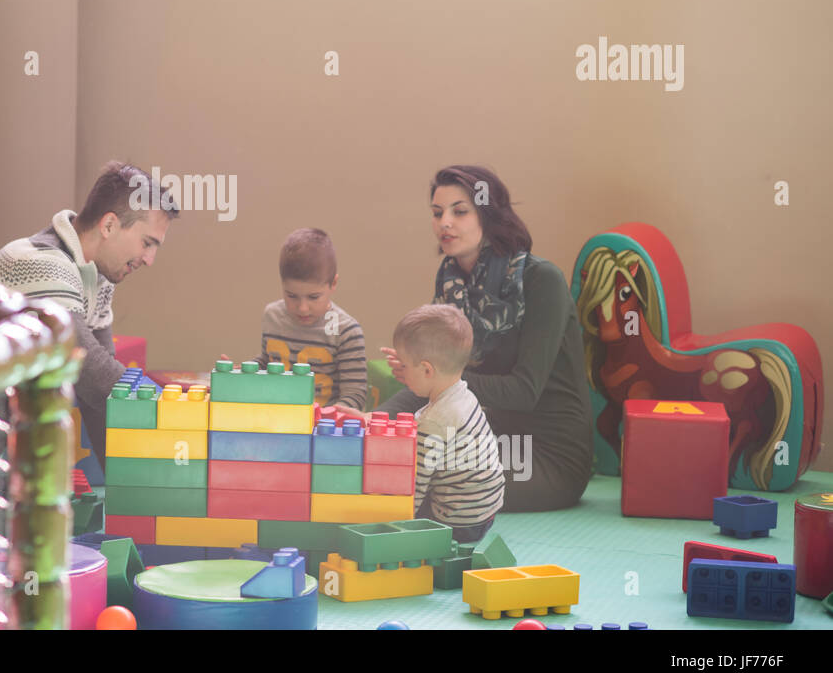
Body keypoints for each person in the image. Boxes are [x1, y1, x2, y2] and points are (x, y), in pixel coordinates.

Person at [377, 165, 592, 512]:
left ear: (489, 217)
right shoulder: (451, 285)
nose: (445, 222)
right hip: (486, 437)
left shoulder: (542, 281)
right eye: (437, 213)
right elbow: (440, 379)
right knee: (383, 465)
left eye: (460, 211)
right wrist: (371, 425)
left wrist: (438, 378)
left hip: (546, 456)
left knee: (416, 481)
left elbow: (523, 392)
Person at [0, 161, 179, 468]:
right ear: (109, 225)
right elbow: (90, 371)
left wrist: (124, 487)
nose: (150, 260)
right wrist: (173, 409)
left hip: (3, 432)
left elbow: (99, 400)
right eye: (147, 243)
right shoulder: (39, 262)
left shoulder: (95, 276)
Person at [391, 304, 503, 542]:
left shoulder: (435, 422)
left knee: (391, 499)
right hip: (487, 511)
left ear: (426, 370)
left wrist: (392, 529)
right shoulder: (464, 395)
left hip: (458, 522)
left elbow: (415, 488)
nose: (400, 372)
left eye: (403, 365)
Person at [234, 228, 368, 411]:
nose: (302, 308)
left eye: (313, 297)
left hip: (322, 426)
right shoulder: (272, 315)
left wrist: (329, 413)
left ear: (333, 284)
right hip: (277, 415)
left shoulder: (346, 330)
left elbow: (355, 394)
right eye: (292, 296)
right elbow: (269, 361)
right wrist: (244, 371)